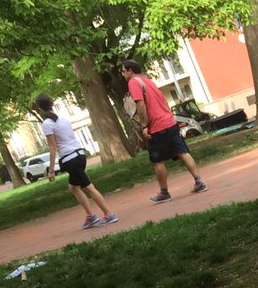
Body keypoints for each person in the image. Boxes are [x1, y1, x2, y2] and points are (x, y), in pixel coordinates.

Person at [120, 59, 206, 203]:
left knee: (158, 160)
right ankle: (199, 182)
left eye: (123, 71)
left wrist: (144, 126)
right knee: (182, 152)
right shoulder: (148, 81)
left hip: (157, 127)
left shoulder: (133, 82)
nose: (122, 74)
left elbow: (140, 105)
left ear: (130, 70)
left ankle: (164, 193)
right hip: (170, 122)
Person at [34, 94, 117, 229]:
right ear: (52, 103)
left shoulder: (47, 124)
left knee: (89, 187)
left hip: (70, 160)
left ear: (39, 108)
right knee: (73, 187)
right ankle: (90, 217)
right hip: (80, 155)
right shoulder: (64, 119)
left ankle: (109, 214)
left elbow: (53, 147)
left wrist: (51, 171)